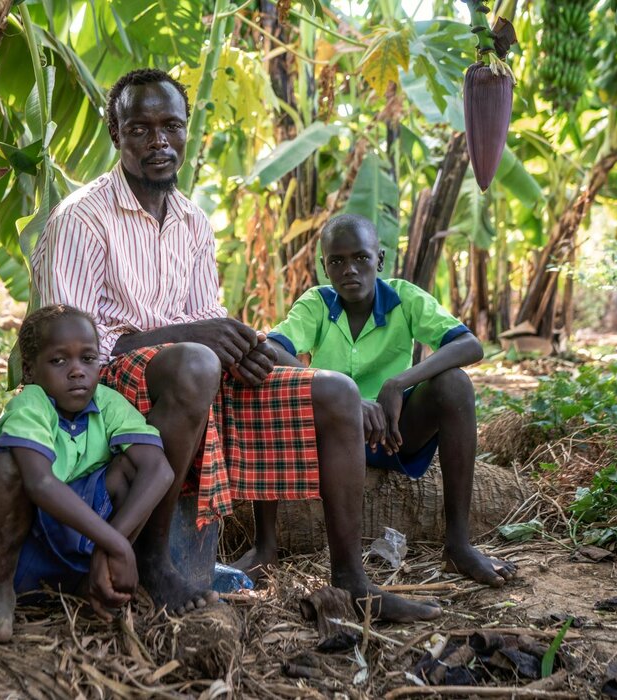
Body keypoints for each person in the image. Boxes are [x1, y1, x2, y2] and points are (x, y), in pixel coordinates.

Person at [30, 68, 439, 621]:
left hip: (188, 375)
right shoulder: (82, 217)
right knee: (197, 360)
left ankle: (351, 581)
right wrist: (195, 339)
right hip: (108, 381)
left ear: (186, 130)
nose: (159, 142)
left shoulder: (193, 222)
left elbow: (205, 318)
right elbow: (73, 349)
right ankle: (152, 562)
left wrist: (242, 347)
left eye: (171, 126)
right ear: (117, 135)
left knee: (338, 393)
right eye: (141, 129)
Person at [240, 214, 516, 587]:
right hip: (332, 438)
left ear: (380, 260)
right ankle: (265, 547)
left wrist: (397, 383)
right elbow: (273, 347)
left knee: (455, 385)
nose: (349, 269)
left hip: (393, 431)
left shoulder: (403, 297)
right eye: (336, 261)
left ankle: (459, 545)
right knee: (264, 383)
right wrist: (350, 400)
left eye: (361, 258)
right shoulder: (318, 304)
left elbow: (469, 344)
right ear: (325, 266)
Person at [0, 305, 174, 643]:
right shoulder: (31, 404)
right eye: (59, 361)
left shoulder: (108, 403)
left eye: (87, 359)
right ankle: (0, 593)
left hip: (79, 550)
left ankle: (93, 579)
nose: (76, 372)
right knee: (8, 462)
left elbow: (159, 470)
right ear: (29, 370)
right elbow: (40, 483)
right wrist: (115, 543)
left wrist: (110, 546)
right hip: (14, 552)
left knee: (136, 466)